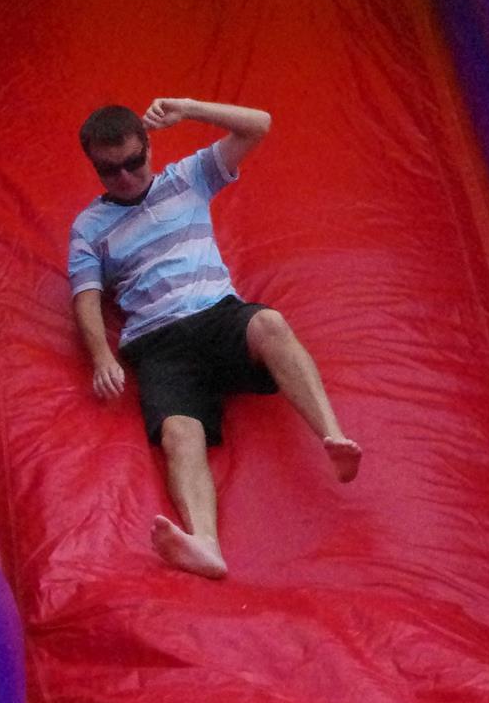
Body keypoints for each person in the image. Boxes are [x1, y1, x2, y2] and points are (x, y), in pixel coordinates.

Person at [68, 99, 361, 579]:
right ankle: (205, 542)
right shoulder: (88, 228)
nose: (124, 177)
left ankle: (332, 435)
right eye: (109, 170)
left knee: (270, 323)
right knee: (179, 432)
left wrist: (187, 108)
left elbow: (260, 125)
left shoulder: (186, 178)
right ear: (94, 168)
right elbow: (85, 295)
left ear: (148, 148)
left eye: (133, 162)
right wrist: (102, 357)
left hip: (216, 314)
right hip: (157, 339)